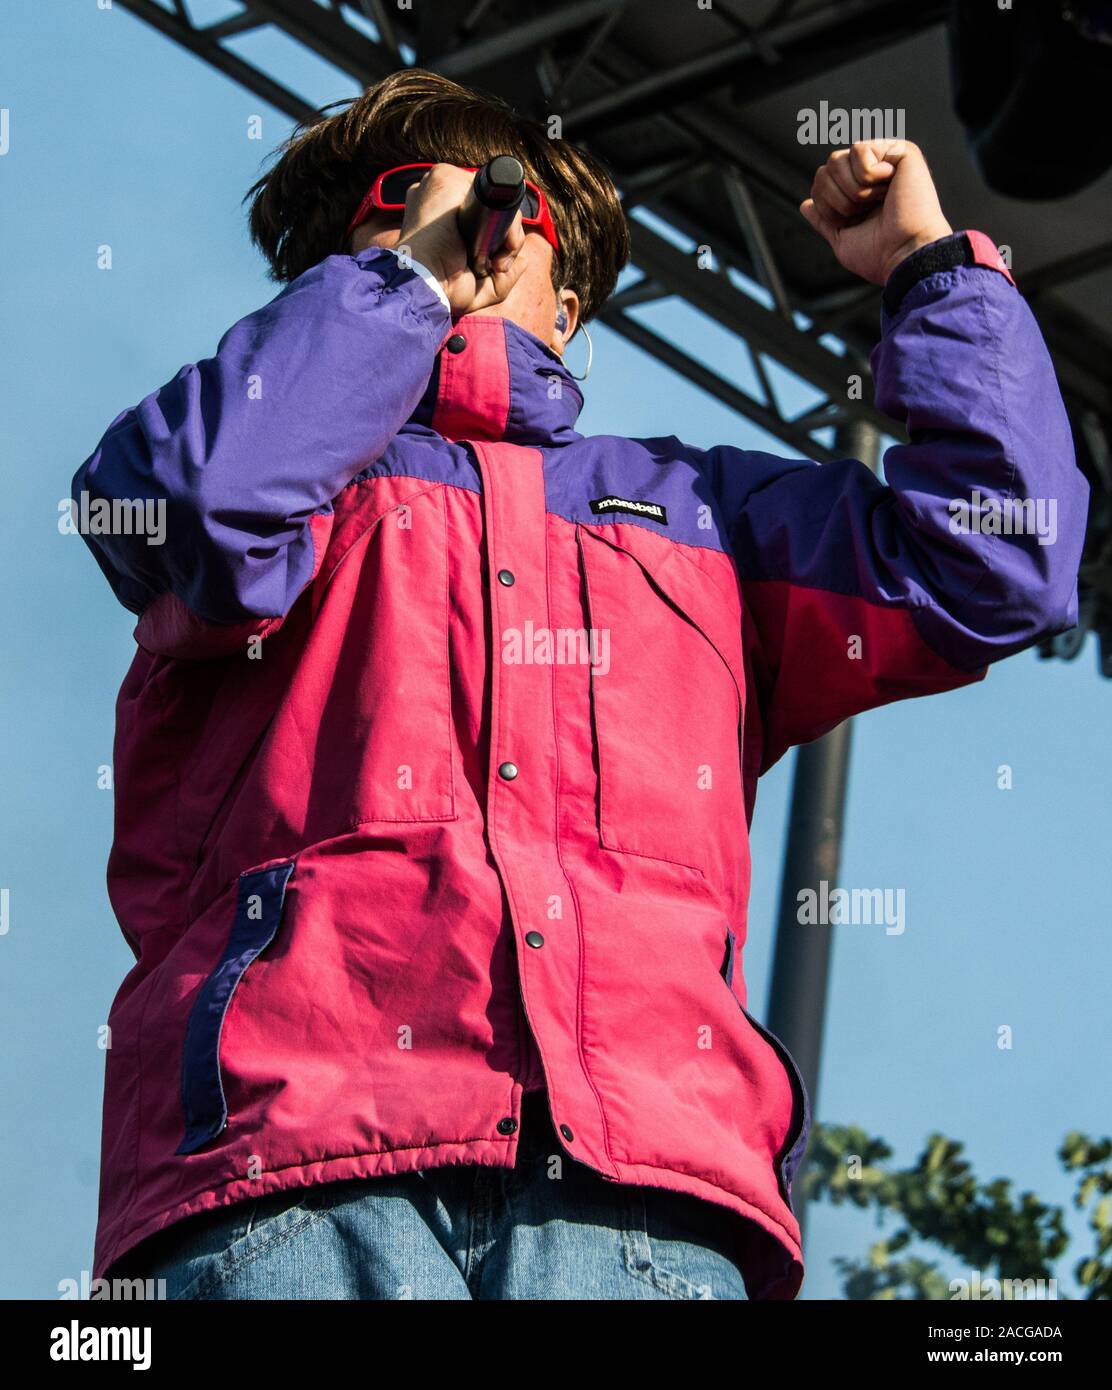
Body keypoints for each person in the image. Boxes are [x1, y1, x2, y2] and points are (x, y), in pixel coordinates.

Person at [73, 69, 1087, 1301]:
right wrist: (396, 286)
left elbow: (997, 560)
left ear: (573, 284)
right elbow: (191, 502)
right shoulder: (280, 474)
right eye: (401, 198)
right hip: (292, 1167)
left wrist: (932, 269)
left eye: (510, 206)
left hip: (646, 1198)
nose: (473, 227)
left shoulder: (713, 516)